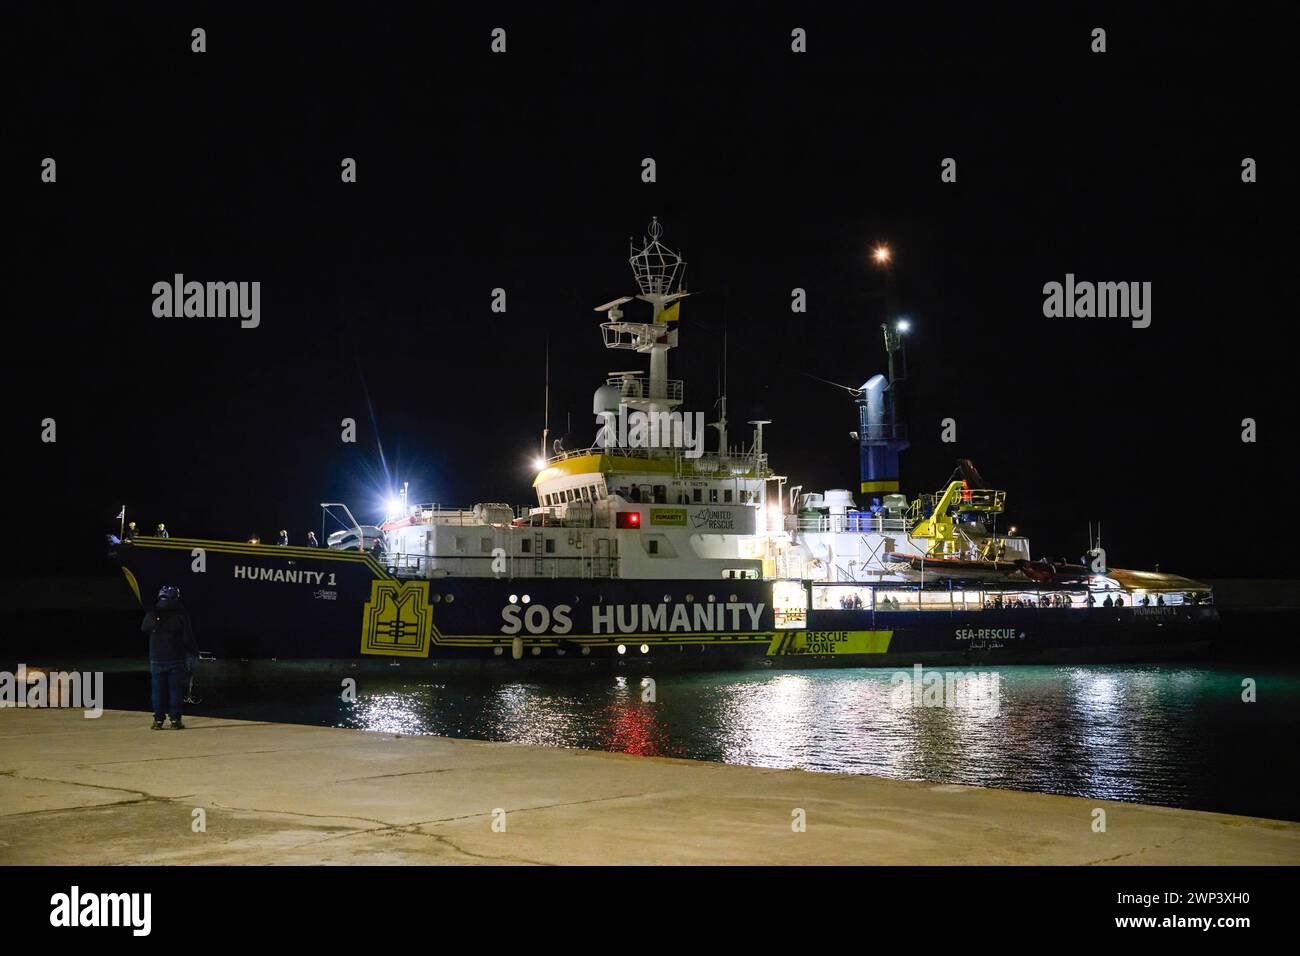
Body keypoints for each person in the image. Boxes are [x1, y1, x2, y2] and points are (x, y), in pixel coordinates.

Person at [141, 585, 199, 730]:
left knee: (157, 691)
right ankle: (175, 720)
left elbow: (144, 628)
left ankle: (158, 721)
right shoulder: (181, 615)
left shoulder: (153, 612)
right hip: (175, 658)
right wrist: (193, 652)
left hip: (156, 658)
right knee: (175, 691)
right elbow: (187, 638)